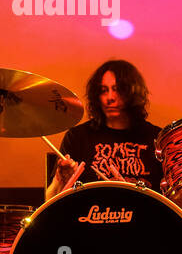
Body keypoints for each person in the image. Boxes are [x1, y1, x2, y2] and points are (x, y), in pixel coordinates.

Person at [45, 59, 163, 201]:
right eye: (103, 91)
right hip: (89, 219)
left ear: (132, 93)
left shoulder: (156, 138)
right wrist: (61, 179)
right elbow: (48, 201)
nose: (110, 98)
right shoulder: (77, 137)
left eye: (118, 89)